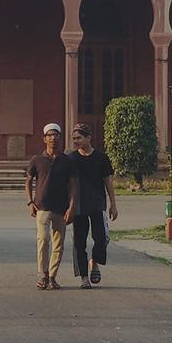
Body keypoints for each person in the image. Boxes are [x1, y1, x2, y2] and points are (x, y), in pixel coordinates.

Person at [67, 123, 117, 287]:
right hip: (78, 206)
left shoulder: (101, 158)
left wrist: (113, 204)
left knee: (102, 238)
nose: (76, 141)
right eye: (74, 138)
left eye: (79, 138)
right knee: (79, 242)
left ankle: (94, 261)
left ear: (88, 138)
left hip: (97, 203)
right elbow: (66, 183)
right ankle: (84, 278)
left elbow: (108, 181)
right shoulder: (71, 158)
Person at [24, 122, 73, 290]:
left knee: (58, 244)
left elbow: (72, 185)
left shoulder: (66, 161)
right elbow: (28, 181)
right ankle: (43, 275)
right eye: (50, 135)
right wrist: (30, 201)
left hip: (61, 208)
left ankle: (52, 277)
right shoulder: (37, 160)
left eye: (56, 135)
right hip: (42, 207)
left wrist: (72, 206)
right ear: (44, 139)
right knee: (43, 240)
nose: (53, 138)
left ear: (60, 138)